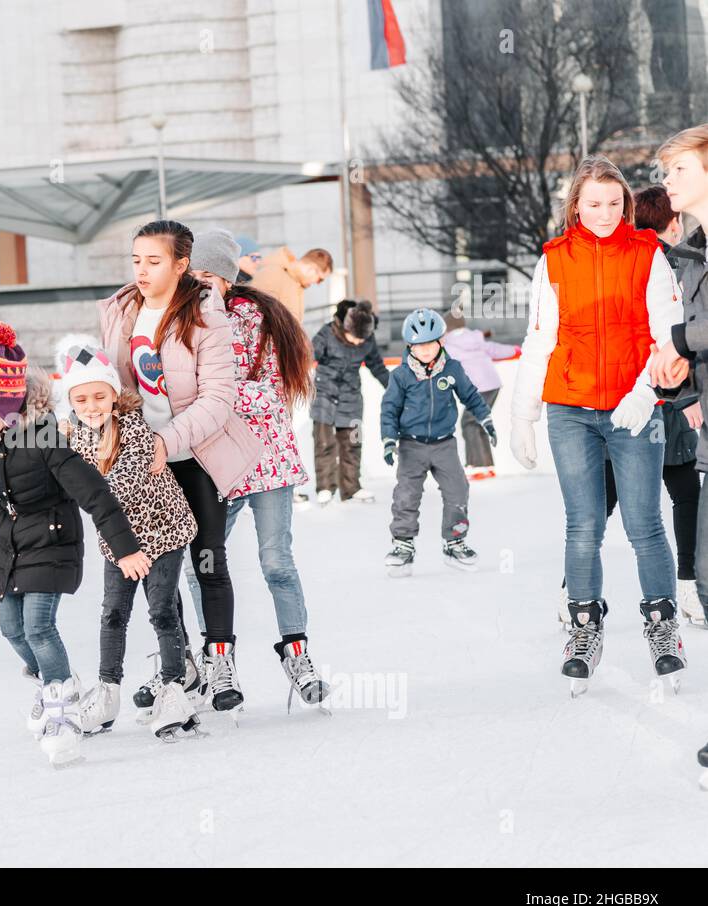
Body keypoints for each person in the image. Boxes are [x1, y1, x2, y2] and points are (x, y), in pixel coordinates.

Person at [513, 155, 685, 695]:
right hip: (571, 409)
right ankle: (584, 628)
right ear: (576, 205)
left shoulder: (648, 253)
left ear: (627, 204)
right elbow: (541, 338)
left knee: (644, 524)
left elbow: (669, 332)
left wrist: (646, 391)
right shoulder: (555, 260)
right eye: (594, 204)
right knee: (583, 525)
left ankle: (663, 627)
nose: (606, 213)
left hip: (634, 408)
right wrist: (524, 414)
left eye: (615, 203)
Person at [0, 323, 147, 767]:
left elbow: (94, 492)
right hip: (9, 548)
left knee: (39, 626)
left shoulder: (43, 438)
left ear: (8, 402)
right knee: (11, 628)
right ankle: (54, 679)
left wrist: (125, 547)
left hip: (54, 542)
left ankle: (62, 709)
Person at [98, 220, 264, 715]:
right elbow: (110, 383)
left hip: (195, 457)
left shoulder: (206, 319)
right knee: (156, 569)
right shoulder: (120, 310)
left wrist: (164, 443)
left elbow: (218, 400)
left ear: (181, 264)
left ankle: (220, 662)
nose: (142, 271)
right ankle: (178, 663)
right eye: (136, 261)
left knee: (208, 560)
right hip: (141, 463)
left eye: (154, 261)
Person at [188, 228, 328, 712]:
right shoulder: (185, 319)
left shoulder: (252, 317)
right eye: (194, 274)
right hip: (217, 460)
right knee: (202, 561)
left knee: (276, 561)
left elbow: (259, 389)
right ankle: (216, 656)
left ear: (227, 278)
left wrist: (211, 400)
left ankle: (298, 653)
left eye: (210, 275)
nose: (202, 284)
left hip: (265, 457)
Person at [57, 342, 201, 740]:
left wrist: (79, 493)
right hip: (119, 543)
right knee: (112, 613)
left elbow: (120, 489)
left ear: (114, 394)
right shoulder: (70, 435)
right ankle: (107, 693)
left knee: (161, 611)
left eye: (100, 396)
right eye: (81, 398)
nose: (91, 405)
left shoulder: (134, 428)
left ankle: (174, 688)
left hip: (162, 531)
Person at [633, 184, 704, 626]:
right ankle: (687, 588)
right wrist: (691, 395)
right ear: (672, 223)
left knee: (611, 498)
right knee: (684, 493)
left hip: (634, 397)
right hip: (666, 394)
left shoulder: (627, 262)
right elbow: (684, 334)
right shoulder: (674, 262)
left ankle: (573, 592)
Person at [381, 308, 494, 576]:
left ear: (440, 342)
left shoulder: (452, 369)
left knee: (457, 491)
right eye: (419, 346)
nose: (425, 351)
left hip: (445, 444)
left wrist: (486, 420)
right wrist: (388, 440)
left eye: (430, 344)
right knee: (406, 495)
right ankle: (403, 545)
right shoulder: (401, 375)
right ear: (410, 346)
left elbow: (471, 396)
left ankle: (455, 542)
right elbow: (389, 409)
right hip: (411, 445)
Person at [649, 127, 708, 629]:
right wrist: (681, 378)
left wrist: (681, 342)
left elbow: (690, 333)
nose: (668, 179)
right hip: (704, 431)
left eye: (680, 169)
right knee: (705, 577)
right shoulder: (688, 254)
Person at [310, 298, 390, 504]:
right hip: (324, 395)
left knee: (353, 443)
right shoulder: (327, 333)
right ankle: (325, 487)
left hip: (352, 397)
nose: (359, 342)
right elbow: (308, 355)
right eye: (355, 337)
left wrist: (393, 387)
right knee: (324, 444)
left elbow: (378, 367)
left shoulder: (368, 339)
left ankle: (351, 487)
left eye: (363, 339)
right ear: (346, 328)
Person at [441, 304, 520, 479]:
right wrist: (516, 350)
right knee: (478, 422)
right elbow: (496, 350)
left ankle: (478, 466)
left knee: (469, 423)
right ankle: (487, 466)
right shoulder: (476, 339)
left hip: (478, 389)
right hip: (492, 385)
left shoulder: (449, 345)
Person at [250, 246, 333, 322]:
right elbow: (254, 314)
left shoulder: (297, 284)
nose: (318, 283)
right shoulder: (273, 273)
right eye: (320, 279)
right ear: (310, 269)